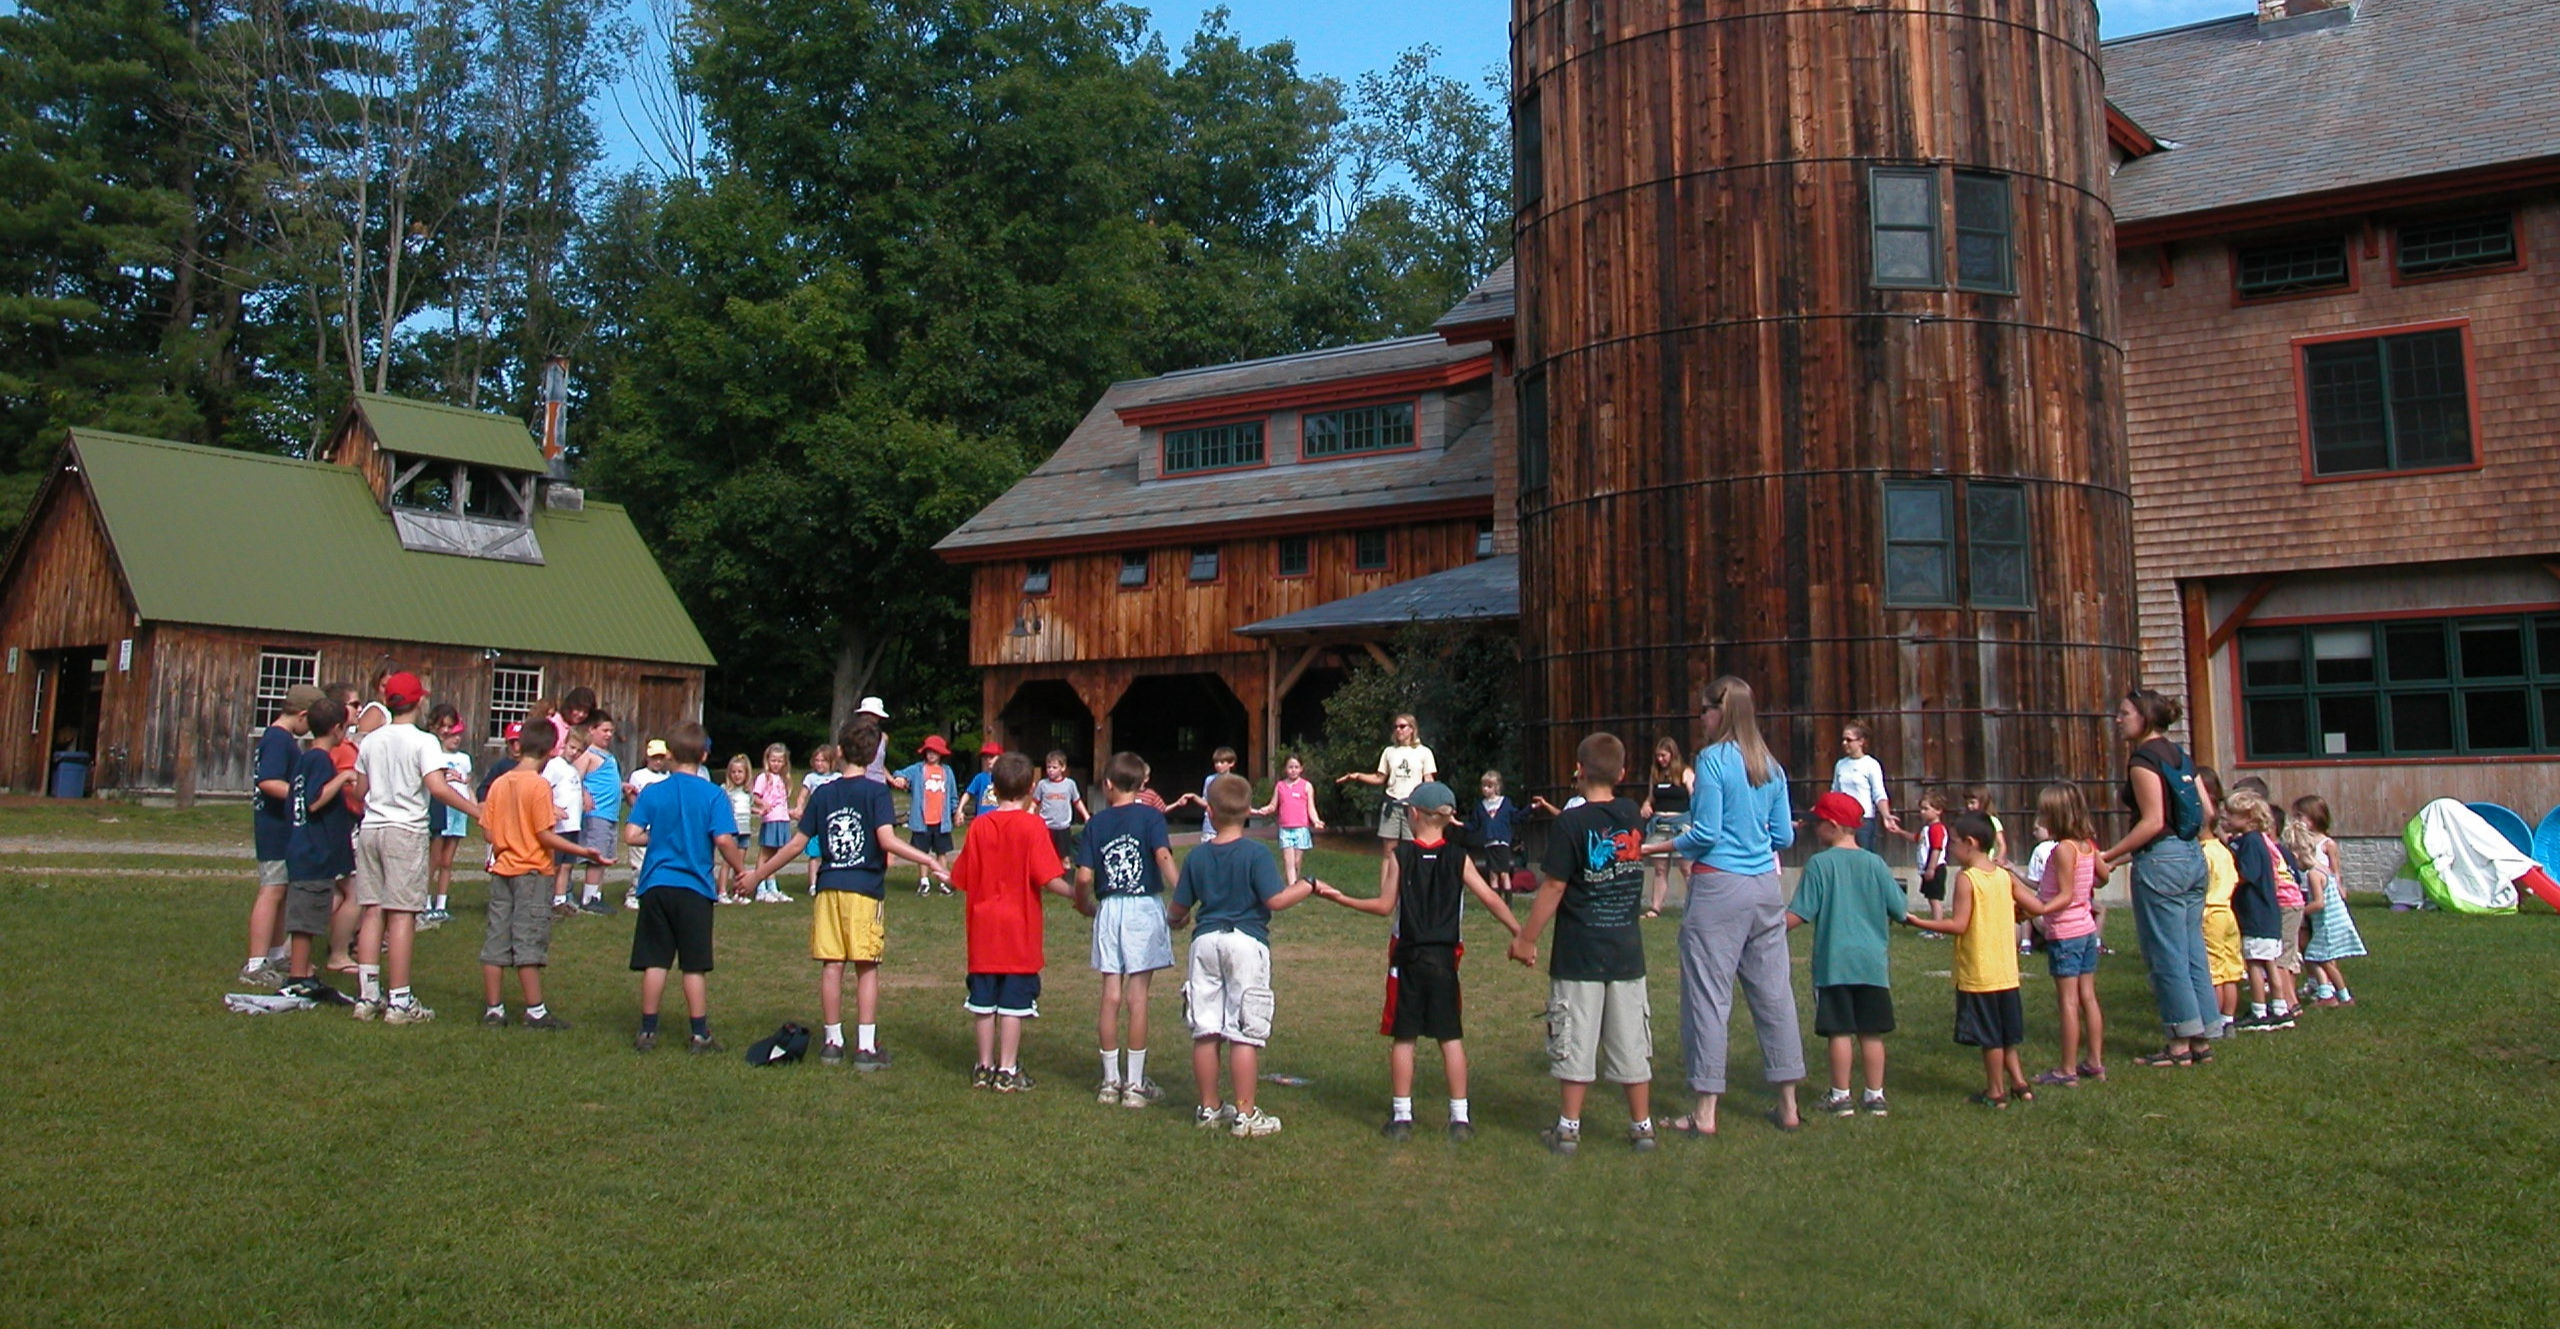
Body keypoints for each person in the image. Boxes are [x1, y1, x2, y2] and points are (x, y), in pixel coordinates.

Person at [1314, 781, 1521, 1142]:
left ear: (1413, 814)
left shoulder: (1400, 856)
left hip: (1407, 957)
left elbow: (1383, 907)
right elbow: (1490, 898)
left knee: (1404, 1037)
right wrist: (1520, 932)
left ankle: (1402, 1117)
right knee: (1450, 1036)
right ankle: (1460, 1118)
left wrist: (1339, 897)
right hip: (1444, 959)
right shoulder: (1459, 858)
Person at [738, 722, 947, 1068]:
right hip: (864, 891)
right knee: (867, 966)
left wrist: (756, 875)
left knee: (832, 965)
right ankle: (865, 1047)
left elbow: (796, 845)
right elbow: (887, 841)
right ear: (873, 756)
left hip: (829, 889)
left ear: (839, 751)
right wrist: (928, 859)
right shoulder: (876, 792)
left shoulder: (824, 794)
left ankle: (832, 1042)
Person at [1645, 677, 1802, 1136]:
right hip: (1765, 888)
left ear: (1721, 711)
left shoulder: (1712, 761)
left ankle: (1705, 1111)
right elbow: (1785, 837)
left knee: (1708, 998)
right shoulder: (1771, 766)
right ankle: (1788, 1105)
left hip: (1719, 889)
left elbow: (1706, 833)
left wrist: (1654, 849)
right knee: (1775, 994)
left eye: (1704, 711)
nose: (1701, 720)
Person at [1507, 733, 1655, 1154]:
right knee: (1632, 1043)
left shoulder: (1570, 823)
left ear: (1580, 770)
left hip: (1578, 953)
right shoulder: (1631, 814)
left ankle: (1568, 1128)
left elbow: (1554, 885)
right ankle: (1641, 1125)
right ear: (1622, 773)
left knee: (1575, 1037)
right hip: (1626, 951)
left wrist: (1526, 937)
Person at [1171, 773, 1315, 1137]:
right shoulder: (1255, 854)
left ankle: (1209, 1106)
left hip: (1205, 942)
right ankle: (1246, 1114)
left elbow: (1178, 911)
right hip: (1246, 942)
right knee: (1243, 1030)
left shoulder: (1197, 856)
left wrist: (1177, 920)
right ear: (1248, 812)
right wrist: (1308, 886)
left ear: (1212, 813)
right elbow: (1275, 901)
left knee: (1205, 1028)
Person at [2094, 688, 2220, 1069]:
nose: (2118, 720)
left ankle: (2178, 1042)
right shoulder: (2180, 755)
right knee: (2191, 948)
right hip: (2191, 857)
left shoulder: (2143, 760)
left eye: (2124, 713)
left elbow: (2152, 822)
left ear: (2145, 718)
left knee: (2165, 952)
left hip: (2161, 865)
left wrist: (2108, 856)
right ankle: (2202, 1037)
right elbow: (2207, 813)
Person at [348, 671, 481, 1024]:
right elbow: (436, 787)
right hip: (405, 829)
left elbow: (359, 792)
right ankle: (400, 1000)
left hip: (371, 827)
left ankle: (368, 995)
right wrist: (476, 810)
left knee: (372, 909)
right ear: (418, 702)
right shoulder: (424, 742)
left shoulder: (371, 741)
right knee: (403, 913)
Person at [1908, 812, 2063, 1106]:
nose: (1951, 849)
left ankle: (1996, 1091)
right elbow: (2037, 908)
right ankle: (2020, 1084)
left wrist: (1918, 922)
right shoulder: (2003, 876)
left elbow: (1958, 925)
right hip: (2006, 971)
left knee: (1990, 1038)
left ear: (1971, 843)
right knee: (2006, 1034)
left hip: (1979, 973)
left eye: (1954, 843)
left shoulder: (1967, 879)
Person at [950, 752, 1075, 1092]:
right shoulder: (1033, 826)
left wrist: (938, 871)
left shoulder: (979, 827)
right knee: (1013, 1005)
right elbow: (1050, 877)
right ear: (1031, 788)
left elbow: (960, 875)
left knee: (983, 1001)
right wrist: (1079, 895)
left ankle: (983, 1065)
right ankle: (1007, 1069)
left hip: (983, 927)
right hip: (1019, 928)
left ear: (993, 787)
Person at [622, 723, 746, 1053]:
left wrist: (659, 836)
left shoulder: (653, 792)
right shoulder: (713, 794)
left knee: (655, 959)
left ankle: (648, 1029)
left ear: (670, 755)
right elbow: (722, 838)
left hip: (656, 884)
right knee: (694, 964)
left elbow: (631, 834)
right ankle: (699, 1033)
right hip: (694, 888)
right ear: (704, 755)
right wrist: (740, 869)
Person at [1786, 791, 1906, 1116]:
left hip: (1834, 963)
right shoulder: (1876, 863)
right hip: (1871, 963)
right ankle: (1875, 1095)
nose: (1814, 829)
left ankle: (1841, 1096)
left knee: (1838, 1030)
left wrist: (1765, 931)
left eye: (1819, 824)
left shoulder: (1819, 864)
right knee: (1871, 1030)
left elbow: (1801, 912)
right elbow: (1900, 907)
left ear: (1834, 826)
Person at [478, 720, 604, 1029]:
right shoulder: (537, 785)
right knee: (528, 939)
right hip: (533, 872)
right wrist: (584, 852)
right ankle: (535, 1010)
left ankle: (494, 1009)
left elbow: (487, 832)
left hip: (503, 869)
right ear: (550, 750)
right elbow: (545, 835)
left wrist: (507, 841)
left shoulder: (501, 782)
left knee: (497, 939)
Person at [1074, 751, 1181, 1107]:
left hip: (1109, 909)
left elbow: (1084, 876)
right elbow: (1163, 857)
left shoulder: (1096, 824)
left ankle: (1110, 1082)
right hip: (1143, 908)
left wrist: (1082, 902)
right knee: (1138, 998)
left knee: (1111, 995)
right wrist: (1182, 898)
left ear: (1107, 785)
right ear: (1142, 784)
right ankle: (1134, 1086)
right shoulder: (1151, 817)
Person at [242, 681, 322, 988]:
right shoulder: (278, 740)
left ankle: (275, 954)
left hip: (283, 827)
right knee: (271, 890)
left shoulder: (281, 739)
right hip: (274, 827)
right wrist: (301, 797)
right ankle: (256, 962)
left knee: (281, 891)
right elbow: (269, 781)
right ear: (301, 715)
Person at [2025, 783, 2107, 1086]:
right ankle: (2095, 1062)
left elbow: (2065, 894)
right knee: (2089, 997)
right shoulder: (2087, 844)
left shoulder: (2062, 850)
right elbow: (2104, 875)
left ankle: (2067, 1069)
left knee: (2069, 1003)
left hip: (2066, 932)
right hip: (2086, 929)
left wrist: (2036, 908)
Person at [279, 698, 357, 1003]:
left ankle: (304, 973)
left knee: (309, 916)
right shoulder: (320, 760)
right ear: (337, 729)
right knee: (305, 919)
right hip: (311, 852)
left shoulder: (305, 758)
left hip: (304, 849)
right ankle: (299, 977)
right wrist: (343, 778)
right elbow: (314, 800)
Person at [2223, 789, 2301, 1032]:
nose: (2226, 818)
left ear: (2248, 818)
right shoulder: (2259, 841)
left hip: (2255, 914)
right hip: (2269, 914)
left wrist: (2229, 869)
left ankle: (2259, 1010)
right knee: (2270, 962)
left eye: (2232, 815)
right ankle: (2279, 1009)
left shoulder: (2249, 843)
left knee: (2255, 964)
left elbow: (2247, 873)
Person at [1334, 714, 1437, 876]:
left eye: (1402, 726)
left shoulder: (1424, 752)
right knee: (1389, 853)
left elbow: (1429, 780)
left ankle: (1410, 892)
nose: (1398, 730)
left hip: (1413, 808)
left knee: (1412, 850)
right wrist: (1357, 776)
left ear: (1412, 729)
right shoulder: (1389, 752)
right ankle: (1386, 895)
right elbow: (1379, 777)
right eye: (1396, 727)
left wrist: (1433, 804)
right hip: (1392, 805)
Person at [2291, 795, 2365, 1007]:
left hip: (2318, 898)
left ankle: (2332, 990)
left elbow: (2335, 870)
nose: (2296, 820)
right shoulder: (2300, 842)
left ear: (2313, 818)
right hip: (2304, 893)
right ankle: (2322, 986)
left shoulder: (2326, 844)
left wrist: (2339, 886)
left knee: (2323, 951)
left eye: (2300, 816)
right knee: (2306, 944)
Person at [2196, 769, 2244, 1034]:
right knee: (2230, 971)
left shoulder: (2203, 854)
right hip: (2228, 913)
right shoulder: (2223, 851)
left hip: (2210, 914)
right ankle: (2229, 1018)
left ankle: (2211, 1018)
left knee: (2213, 972)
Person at [422, 704, 472, 929]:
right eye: (443, 726)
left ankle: (439, 903)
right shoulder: (427, 748)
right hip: (434, 805)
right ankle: (424, 903)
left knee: (446, 860)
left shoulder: (463, 758)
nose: (448, 732)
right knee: (432, 858)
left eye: (451, 727)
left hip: (452, 809)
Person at [894, 736, 961, 893]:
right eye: (928, 751)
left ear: (941, 754)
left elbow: (953, 795)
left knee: (941, 852)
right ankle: (924, 881)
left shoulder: (947, 772)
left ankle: (943, 881)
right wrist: (899, 778)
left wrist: (955, 811)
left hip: (941, 821)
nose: (931, 755)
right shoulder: (918, 769)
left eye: (935, 752)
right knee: (922, 852)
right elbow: (900, 773)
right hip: (921, 820)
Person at [1638, 737, 1693, 919]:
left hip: (1681, 825)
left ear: (1672, 754)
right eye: (1658, 756)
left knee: (1686, 867)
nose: (1660, 760)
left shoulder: (1685, 772)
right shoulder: (1656, 775)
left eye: (1663, 756)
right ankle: (1655, 908)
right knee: (1660, 870)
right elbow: (1651, 798)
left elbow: (1695, 797)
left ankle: (1696, 906)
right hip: (1660, 825)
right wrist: (1646, 805)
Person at [1253, 753, 1326, 888]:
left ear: (1301, 769)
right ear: (1285, 769)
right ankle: (1292, 888)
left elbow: (1311, 807)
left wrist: (1316, 821)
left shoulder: (1306, 786)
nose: (1293, 770)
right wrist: (1262, 810)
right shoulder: (1280, 786)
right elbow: (1273, 805)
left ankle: (1294, 884)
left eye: (1296, 767)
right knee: (1288, 861)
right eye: (1290, 767)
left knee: (1297, 861)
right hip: (1285, 829)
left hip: (1301, 829)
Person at [543, 725, 587, 916]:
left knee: (567, 864)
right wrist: (552, 808)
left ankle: (560, 900)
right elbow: (542, 788)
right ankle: (545, 897)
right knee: (555, 863)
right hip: (558, 826)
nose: (574, 753)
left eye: (579, 751)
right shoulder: (554, 765)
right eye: (572, 747)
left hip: (573, 824)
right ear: (565, 744)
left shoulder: (573, 770)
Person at [1831, 722, 1895, 851]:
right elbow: (1835, 792)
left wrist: (1886, 815)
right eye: (1843, 739)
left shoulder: (1871, 764)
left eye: (1849, 740)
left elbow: (1879, 793)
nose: (1845, 743)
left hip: (1863, 820)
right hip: (1843, 820)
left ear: (1861, 741)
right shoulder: (1841, 764)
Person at [624, 738, 673, 909]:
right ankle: (633, 894)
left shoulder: (667, 777)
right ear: (647, 758)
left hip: (661, 827)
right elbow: (632, 799)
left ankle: (652, 892)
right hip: (643, 826)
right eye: (654, 758)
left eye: (661, 758)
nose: (658, 762)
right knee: (639, 863)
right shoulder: (639, 775)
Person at [1901, 789, 1955, 934]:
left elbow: (1936, 849)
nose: (1922, 812)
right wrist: (1899, 832)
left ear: (1938, 810)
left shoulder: (1937, 829)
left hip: (1935, 868)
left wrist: (1931, 868)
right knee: (1931, 898)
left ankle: (1937, 929)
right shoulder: (1927, 829)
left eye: (1926, 808)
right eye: (1921, 809)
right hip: (1928, 868)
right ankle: (1934, 927)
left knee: (1935, 900)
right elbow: (1915, 838)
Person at [748, 743, 796, 903]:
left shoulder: (783, 779)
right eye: (773, 760)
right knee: (766, 853)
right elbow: (755, 796)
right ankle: (761, 887)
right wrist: (763, 804)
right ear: (767, 760)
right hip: (771, 819)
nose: (775, 764)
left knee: (775, 854)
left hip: (782, 818)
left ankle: (772, 886)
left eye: (779, 761)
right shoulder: (764, 777)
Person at [791, 743, 841, 896]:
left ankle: (830, 881)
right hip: (816, 821)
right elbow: (802, 796)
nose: (819, 764)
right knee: (815, 854)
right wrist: (799, 808)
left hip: (832, 821)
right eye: (817, 760)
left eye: (823, 761)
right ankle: (813, 884)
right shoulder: (810, 778)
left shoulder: (837, 777)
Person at [1463, 769, 1522, 894]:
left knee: (1504, 873)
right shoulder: (1481, 806)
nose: (1485, 789)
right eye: (1483, 786)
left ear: (1496, 787)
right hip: (1489, 843)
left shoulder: (1505, 802)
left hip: (1502, 843)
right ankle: (1495, 899)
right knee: (1492, 873)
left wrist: (1530, 808)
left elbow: (1516, 816)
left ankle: (1507, 902)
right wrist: (1459, 824)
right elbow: (1474, 825)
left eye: (1489, 786)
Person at [1169, 746, 1240, 843]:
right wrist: (1193, 797)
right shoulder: (1210, 780)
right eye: (1216, 762)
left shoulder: (1236, 782)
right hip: (1210, 827)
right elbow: (1205, 801)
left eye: (1222, 762)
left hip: (1228, 826)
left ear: (1231, 763)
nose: (1218, 765)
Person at [1033, 750, 1088, 859]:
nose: (1051, 770)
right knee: (1046, 856)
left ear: (1063, 768)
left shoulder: (1069, 784)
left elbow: (1077, 801)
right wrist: (1028, 816)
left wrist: (1086, 816)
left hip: (1063, 827)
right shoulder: (1042, 784)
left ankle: (1065, 875)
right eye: (1048, 767)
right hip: (1046, 826)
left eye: (1054, 767)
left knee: (1064, 857)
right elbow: (1034, 803)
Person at [962, 741, 1003, 820]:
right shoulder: (980, 777)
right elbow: (968, 793)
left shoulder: (1005, 777)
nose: (988, 760)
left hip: (999, 818)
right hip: (983, 819)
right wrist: (960, 809)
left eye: (991, 757)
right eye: (985, 757)